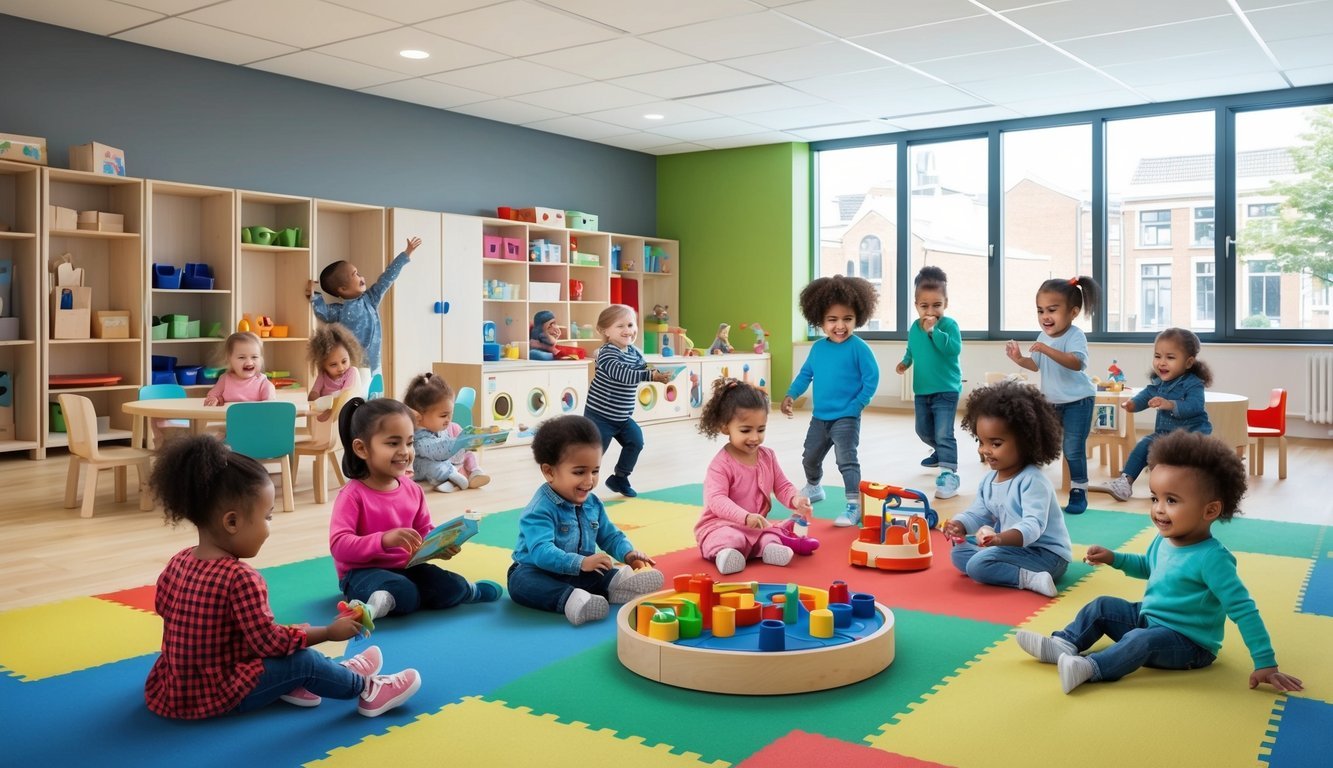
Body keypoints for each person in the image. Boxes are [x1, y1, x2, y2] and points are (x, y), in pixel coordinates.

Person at [144, 435, 421, 719]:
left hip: (173, 687)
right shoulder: (239, 578)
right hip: (216, 693)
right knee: (304, 661)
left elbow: (167, 610)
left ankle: (333, 673)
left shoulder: (180, 560)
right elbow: (270, 644)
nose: (268, 527)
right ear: (232, 522)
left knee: (282, 638)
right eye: (268, 517)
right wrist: (328, 632)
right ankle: (365, 688)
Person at [1016, 430, 1304, 695]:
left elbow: (1244, 610)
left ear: (1211, 509)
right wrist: (1114, 559)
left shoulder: (1213, 559)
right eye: (1155, 498)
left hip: (1189, 643)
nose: (1158, 510)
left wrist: (1265, 662)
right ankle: (1064, 643)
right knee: (1102, 605)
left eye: (1172, 501)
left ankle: (1093, 668)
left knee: (1142, 640)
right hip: (1151, 617)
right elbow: (1148, 567)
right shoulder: (1165, 539)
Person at [330, 397, 502, 620]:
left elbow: (423, 531)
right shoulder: (352, 495)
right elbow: (339, 546)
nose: (404, 451)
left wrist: (440, 546)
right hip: (361, 573)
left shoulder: (413, 490)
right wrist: (384, 540)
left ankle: (468, 590)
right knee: (403, 592)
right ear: (362, 449)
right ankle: (371, 607)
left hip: (406, 567)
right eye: (393, 443)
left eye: (409, 443)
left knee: (447, 585)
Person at [507, 415, 664, 625]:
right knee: (522, 584)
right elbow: (541, 553)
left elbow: (609, 536)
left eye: (595, 471)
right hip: (537, 570)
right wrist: (581, 562)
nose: (589, 481)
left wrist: (628, 553)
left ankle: (618, 584)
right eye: (579, 472)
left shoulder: (593, 504)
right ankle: (573, 601)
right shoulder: (539, 510)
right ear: (549, 472)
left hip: (580, 569)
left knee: (601, 569)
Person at [942, 379, 1074, 598]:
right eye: (981, 441)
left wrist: (1000, 539)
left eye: (995, 444)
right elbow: (980, 512)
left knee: (976, 566)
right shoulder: (989, 480)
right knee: (959, 553)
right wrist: (961, 525)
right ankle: (996, 567)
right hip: (1013, 548)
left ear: (1026, 441)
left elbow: (1033, 527)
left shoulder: (1033, 481)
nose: (985, 450)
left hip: (1047, 556)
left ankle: (1030, 578)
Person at [781, 275, 880, 527]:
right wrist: (791, 394)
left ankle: (853, 505)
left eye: (847, 319)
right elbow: (806, 374)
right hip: (820, 416)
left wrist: (858, 404)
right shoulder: (817, 348)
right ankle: (814, 486)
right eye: (832, 320)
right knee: (809, 457)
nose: (840, 326)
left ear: (858, 317)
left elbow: (872, 377)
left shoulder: (858, 348)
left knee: (846, 458)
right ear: (820, 321)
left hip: (846, 416)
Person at [1005, 275, 1101, 515]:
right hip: (1052, 403)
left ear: (1073, 312)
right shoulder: (1042, 337)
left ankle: (1079, 490)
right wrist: (1018, 359)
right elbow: (1035, 365)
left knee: (1072, 448)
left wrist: (1047, 349)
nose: (1045, 316)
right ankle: (1029, 488)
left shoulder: (1074, 335)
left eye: (1052, 310)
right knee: (1040, 445)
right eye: (1040, 310)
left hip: (1078, 401)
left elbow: (1076, 363)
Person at [695, 378, 812, 575]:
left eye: (761, 429)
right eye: (745, 430)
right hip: (720, 526)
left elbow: (782, 486)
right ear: (725, 427)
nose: (754, 437)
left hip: (756, 527)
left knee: (770, 535)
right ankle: (726, 554)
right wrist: (745, 516)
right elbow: (716, 500)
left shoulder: (768, 456)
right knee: (732, 539)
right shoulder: (721, 465)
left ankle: (768, 549)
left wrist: (795, 499)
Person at [1107, 327, 1213, 502]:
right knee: (1143, 445)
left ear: (1188, 362)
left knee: (1184, 463)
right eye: (1157, 356)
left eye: (1170, 358)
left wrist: (1170, 404)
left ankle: (1189, 490)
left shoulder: (1193, 384)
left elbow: (1195, 406)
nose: (1161, 363)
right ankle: (1126, 481)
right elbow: (1146, 395)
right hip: (1163, 434)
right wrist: (1133, 404)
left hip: (1191, 434)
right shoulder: (1159, 383)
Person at [584, 304, 671, 498]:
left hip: (622, 416)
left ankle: (620, 478)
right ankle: (578, 485)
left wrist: (662, 373)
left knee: (636, 442)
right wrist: (651, 375)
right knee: (594, 455)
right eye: (620, 326)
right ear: (604, 330)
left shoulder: (634, 352)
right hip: (600, 416)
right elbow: (623, 374)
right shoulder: (606, 353)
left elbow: (644, 367)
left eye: (631, 325)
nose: (628, 331)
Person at [307, 236, 420, 375]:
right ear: (342, 289)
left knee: (376, 394)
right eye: (355, 275)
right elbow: (322, 312)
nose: (361, 277)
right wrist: (314, 294)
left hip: (375, 363)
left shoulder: (370, 298)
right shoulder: (339, 311)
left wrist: (405, 254)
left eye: (358, 273)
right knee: (356, 394)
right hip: (353, 365)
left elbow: (387, 277)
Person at [896, 266, 963, 501]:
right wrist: (905, 362)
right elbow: (912, 349)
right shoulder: (914, 328)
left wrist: (934, 330)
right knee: (923, 430)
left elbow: (952, 350)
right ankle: (940, 452)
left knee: (944, 432)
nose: (930, 311)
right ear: (916, 305)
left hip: (946, 389)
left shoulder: (949, 326)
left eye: (937, 305)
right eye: (924, 306)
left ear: (946, 303)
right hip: (923, 390)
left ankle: (948, 473)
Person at [401, 372, 489, 493]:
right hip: (425, 469)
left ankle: (475, 472)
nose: (448, 420)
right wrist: (459, 442)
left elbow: (449, 450)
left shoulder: (440, 429)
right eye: (443, 415)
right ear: (418, 416)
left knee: (468, 454)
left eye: (450, 414)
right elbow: (439, 451)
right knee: (434, 466)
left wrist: (467, 445)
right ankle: (452, 477)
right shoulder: (418, 438)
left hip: (446, 463)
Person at [306, 323, 364, 421]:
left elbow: (345, 395)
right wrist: (316, 403)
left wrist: (332, 408)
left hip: (343, 412)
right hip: (325, 412)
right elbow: (314, 393)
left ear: (350, 354)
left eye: (344, 361)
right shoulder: (323, 375)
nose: (341, 368)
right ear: (323, 365)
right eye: (333, 365)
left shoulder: (351, 372)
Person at [203, 332, 275, 406]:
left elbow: (269, 408)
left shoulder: (263, 383)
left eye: (254, 357)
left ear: (261, 359)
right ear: (229, 359)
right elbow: (211, 397)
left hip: (254, 417)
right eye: (242, 357)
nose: (249, 363)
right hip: (230, 417)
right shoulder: (225, 379)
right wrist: (214, 400)